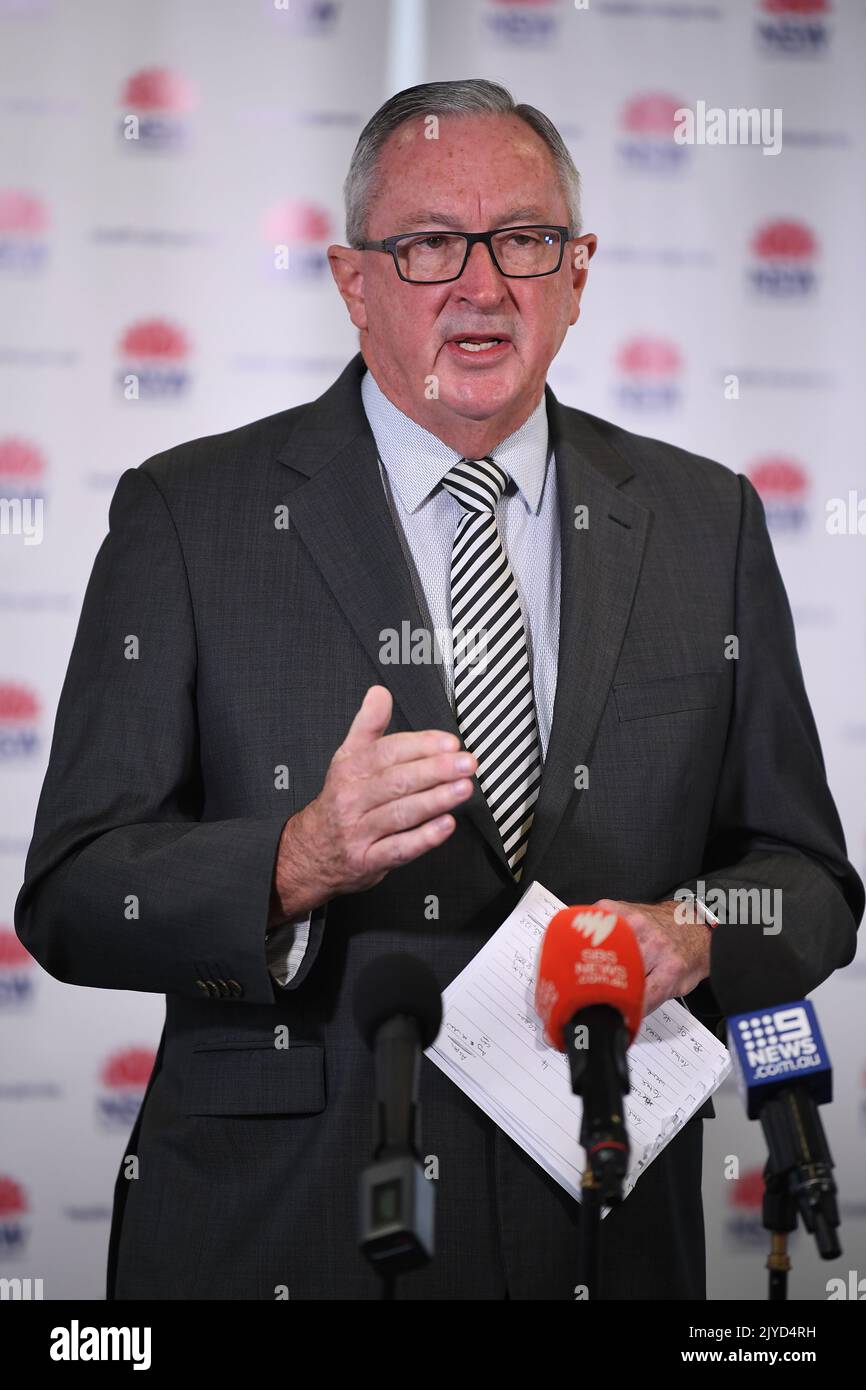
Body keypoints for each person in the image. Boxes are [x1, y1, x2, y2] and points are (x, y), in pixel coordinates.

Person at [16, 78, 863, 1300]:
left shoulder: (701, 520)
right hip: (286, 1223)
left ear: (576, 275)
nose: (480, 285)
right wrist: (294, 860)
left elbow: (808, 884)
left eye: (520, 240)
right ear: (352, 281)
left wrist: (691, 932)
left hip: (601, 1221)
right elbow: (74, 893)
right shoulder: (189, 516)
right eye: (425, 245)